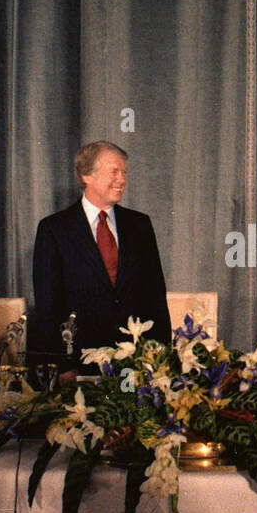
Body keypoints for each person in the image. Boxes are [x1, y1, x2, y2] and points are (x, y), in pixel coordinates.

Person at [31, 140, 172, 367]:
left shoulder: (140, 224)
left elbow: (156, 296)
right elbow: (48, 306)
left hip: (137, 362)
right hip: (81, 363)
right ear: (87, 175)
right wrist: (62, 367)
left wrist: (161, 356)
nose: (123, 180)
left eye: (124, 173)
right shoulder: (54, 229)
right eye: (114, 172)